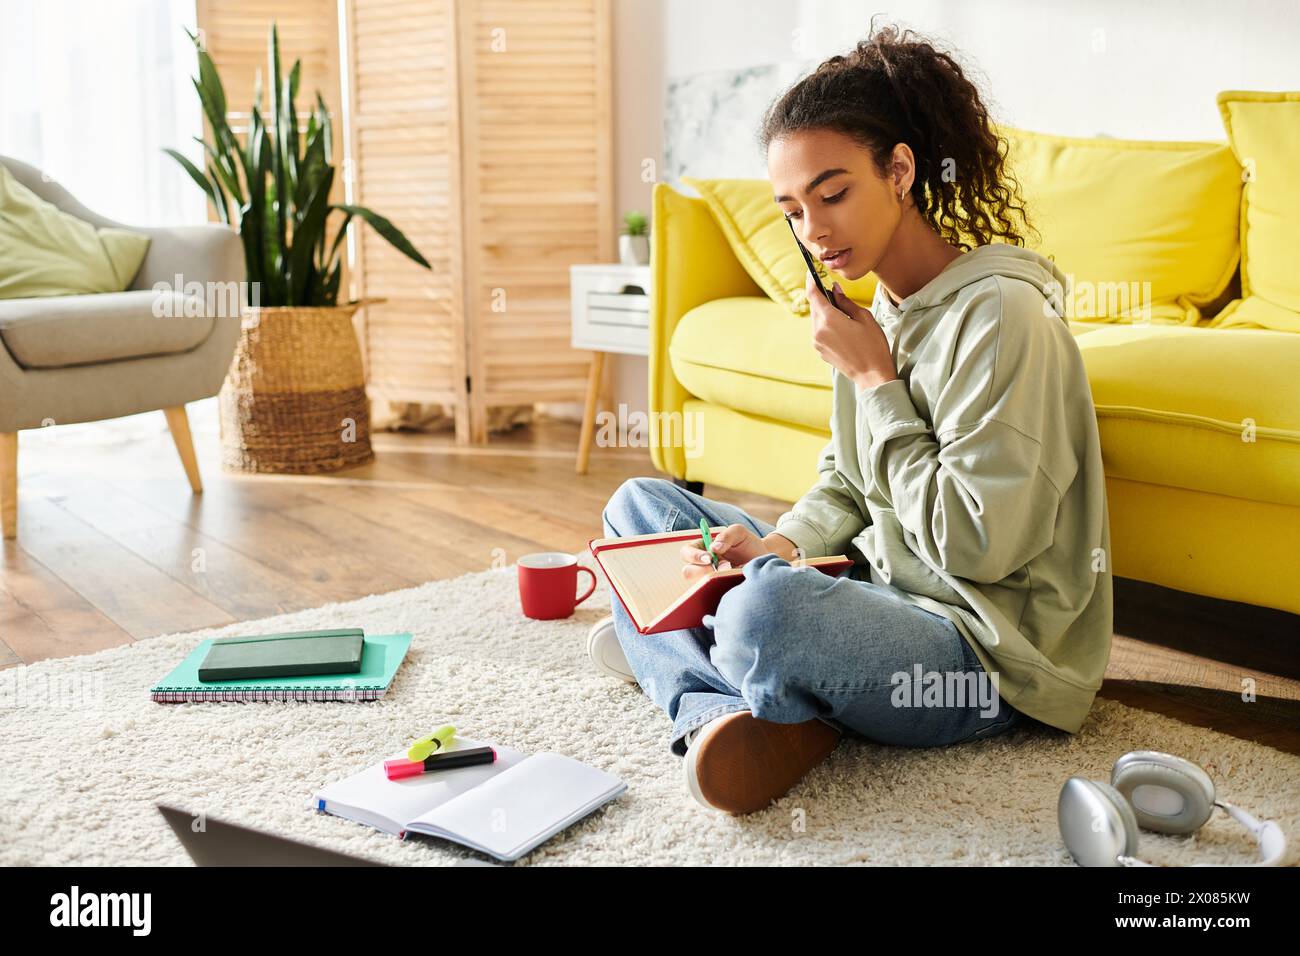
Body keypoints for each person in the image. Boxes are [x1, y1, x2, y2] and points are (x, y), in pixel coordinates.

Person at [587, 21, 1112, 815]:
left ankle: (695, 663)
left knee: (764, 611)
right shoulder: (881, 312)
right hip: (878, 587)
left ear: (900, 170)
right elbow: (848, 479)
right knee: (639, 510)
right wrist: (780, 543)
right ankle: (726, 704)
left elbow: (979, 547)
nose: (815, 231)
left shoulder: (1004, 318)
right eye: (793, 210)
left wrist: (875, 379)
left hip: (980, 656)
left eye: (833, 194)